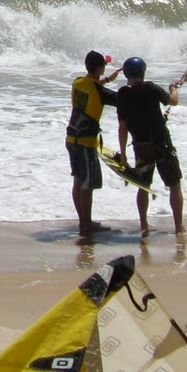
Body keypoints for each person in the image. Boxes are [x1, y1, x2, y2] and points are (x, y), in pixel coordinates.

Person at [114, 57, 184, 235]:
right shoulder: (151, 88)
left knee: (143, 185)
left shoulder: (122, 94)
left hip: (141, 147)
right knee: (174, 185)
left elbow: (122, 127)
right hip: (162, 145)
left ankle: (144, 225)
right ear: (143, 72)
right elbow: (173, 101)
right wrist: (173, 88)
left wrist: (123, 154)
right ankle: (178, 227)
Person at [66, 49, 120, 237]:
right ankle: (86, 225)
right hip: (86, 143)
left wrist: (107, 80)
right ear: (99, 68)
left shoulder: (78, 82)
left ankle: (83, 220)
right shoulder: (100, 90)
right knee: (88, 184)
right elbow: (122, 100)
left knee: (78, 180)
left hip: (71, 138)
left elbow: (93, 88)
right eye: (104, 65)